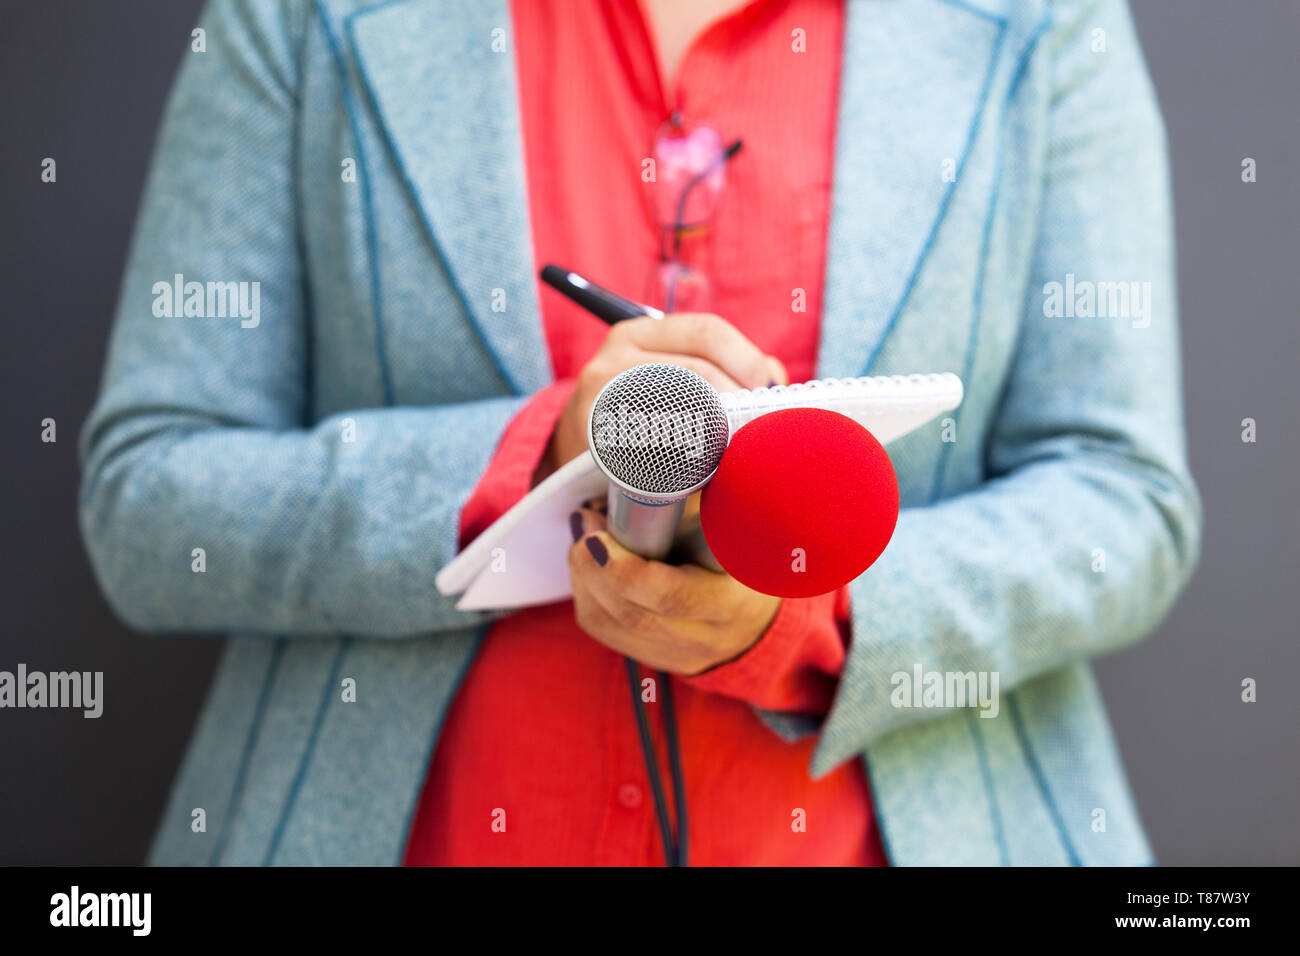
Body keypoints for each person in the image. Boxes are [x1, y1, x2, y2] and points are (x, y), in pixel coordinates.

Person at [79, 0, 1201, 866]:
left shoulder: (1042, 22)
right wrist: (546, 447)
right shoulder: (302, 18)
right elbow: (148, 502)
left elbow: (1121, 496)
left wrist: (813, 606)